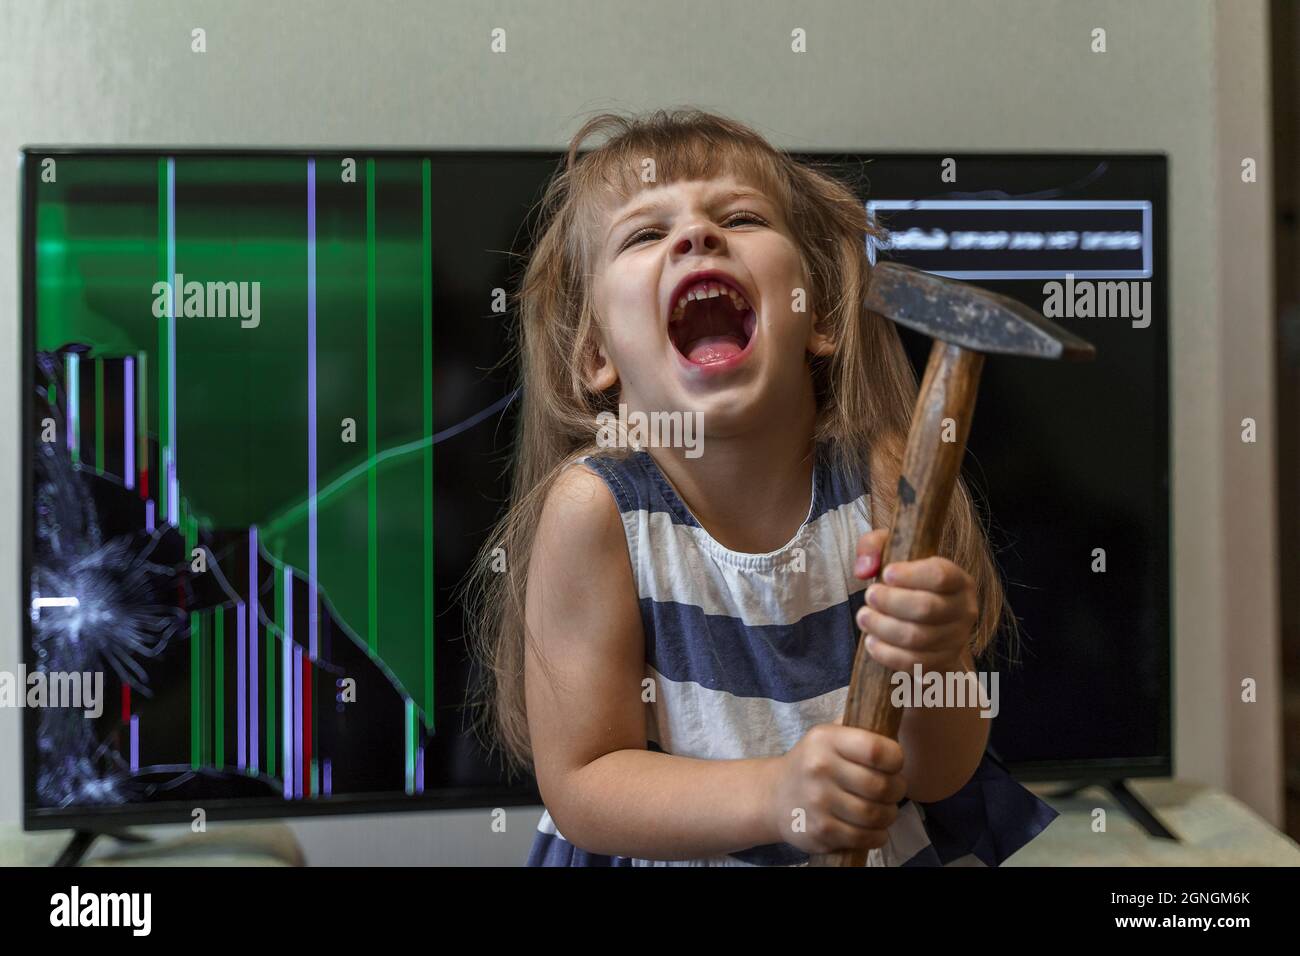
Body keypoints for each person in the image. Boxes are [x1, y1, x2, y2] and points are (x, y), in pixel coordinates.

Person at [461, 108, 1058, 866]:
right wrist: (777, 797)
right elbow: (584, 783)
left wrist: (934, 658)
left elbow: (941, 774)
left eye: (741, 218)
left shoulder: (878, 480)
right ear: (595, 357)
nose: (697, 236)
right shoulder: (597, 512)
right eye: (646, 234)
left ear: (821, 319)